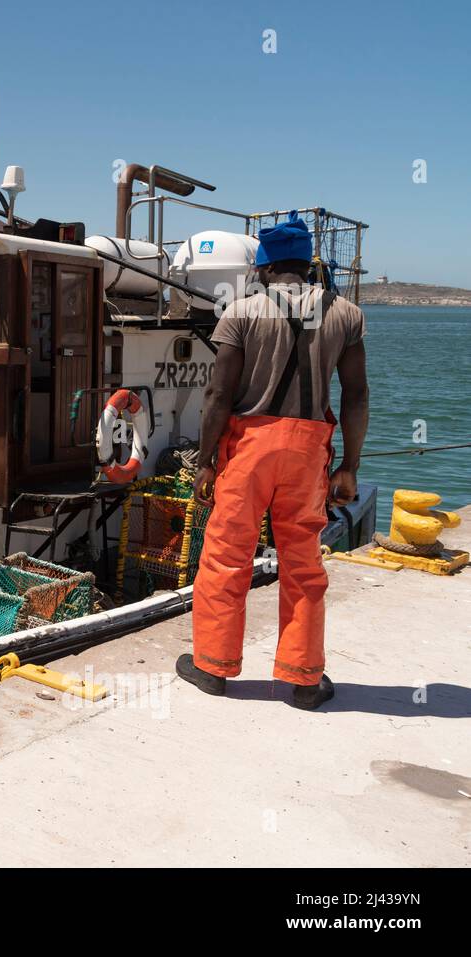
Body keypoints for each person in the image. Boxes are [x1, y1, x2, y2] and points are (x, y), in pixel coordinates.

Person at [179, 212, 369, 710]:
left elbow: (218, 395)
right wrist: (349, 465)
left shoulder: (240, 314)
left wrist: (204, 462)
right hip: (309, 454)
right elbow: (355, 394)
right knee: (303, 563)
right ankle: (304, 679)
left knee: (226, 556)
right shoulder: (345, 314)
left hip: (249, 450)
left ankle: (214, 668)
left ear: (262, 267)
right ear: (308, 264)